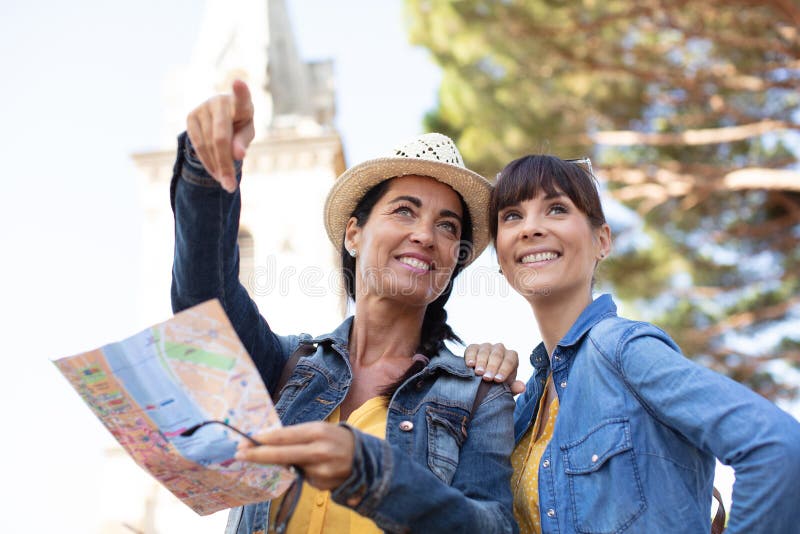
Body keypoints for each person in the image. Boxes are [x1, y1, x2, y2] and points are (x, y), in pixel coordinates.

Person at [170, 80, 519, 534]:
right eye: (404, 211)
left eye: (448, 227)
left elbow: (493, 527)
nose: (425, 235)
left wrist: (375, 474)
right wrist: (208, 174)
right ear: (354, 234)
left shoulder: (478, 396)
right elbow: (204, 307)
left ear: (454, 260)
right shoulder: (287, 365)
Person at [483, 154, 800, 533]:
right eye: (512, 216)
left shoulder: (621, 348)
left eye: (556, 209)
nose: (530, 228)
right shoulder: (523, 407)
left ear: (602, 240)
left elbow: (775, 450)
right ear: (500, 258)